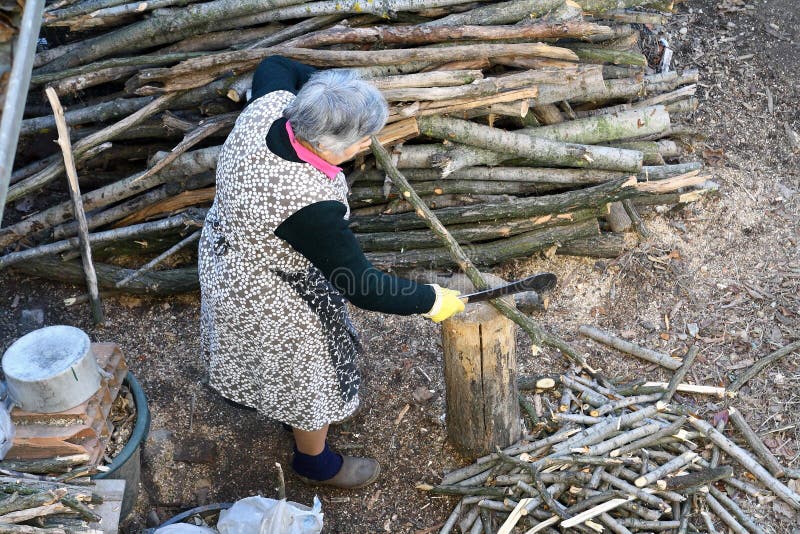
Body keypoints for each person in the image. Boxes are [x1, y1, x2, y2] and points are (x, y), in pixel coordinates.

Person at [198, 56, 465, 489]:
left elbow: (276, 63)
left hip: (229, 254)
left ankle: (289, 412)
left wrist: (332, 94)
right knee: (306, 375)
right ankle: (316, 463)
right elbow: (362, 286)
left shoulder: (271, 107)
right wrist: (431, 300)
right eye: (361, 140)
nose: (366, 145)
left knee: (276, 366)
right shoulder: (307, 204)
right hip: (269, 292)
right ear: (326, 144)